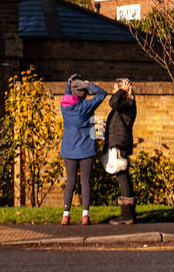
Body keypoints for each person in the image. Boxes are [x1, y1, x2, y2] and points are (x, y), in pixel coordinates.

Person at [59, 74, 107, 226]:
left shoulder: (64, 106)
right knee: (85, 181)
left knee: (70, 181)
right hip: (86, 148)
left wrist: (70, 84)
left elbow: (68, 95)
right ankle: (85, 215)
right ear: (84, 93)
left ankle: (66, 215)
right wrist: (88, 84)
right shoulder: (86, 106)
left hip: (69, 148)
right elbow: (102, 94)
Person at [104, 77, 138, 224]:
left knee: (123, 178)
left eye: (114, 89)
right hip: (117, 144)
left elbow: (113, 102)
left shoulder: (127, 104)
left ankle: (127, 215)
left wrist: (122, 90)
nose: (112, 92)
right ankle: (128, 214)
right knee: (123, 178)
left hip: (120, 145)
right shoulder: (125, 105)